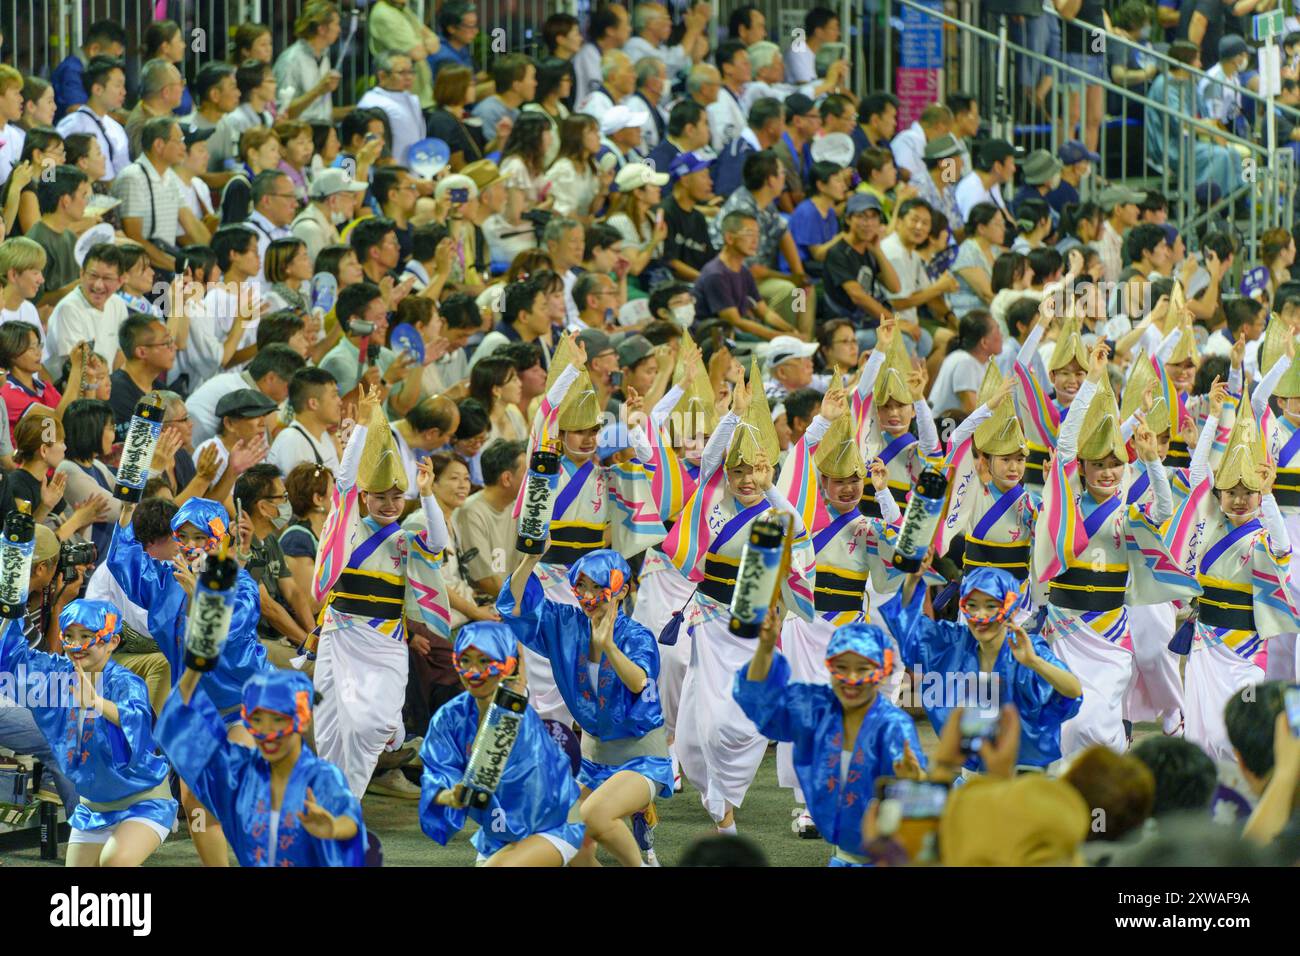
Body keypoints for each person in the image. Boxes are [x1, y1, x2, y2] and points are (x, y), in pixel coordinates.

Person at [1036, 341, 1196, 756]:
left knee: (1097, 720)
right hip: (1067, 626)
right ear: (1082, 469)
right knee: (1069, 723)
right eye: (1098, 465)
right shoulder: (1066, 504)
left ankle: (1115, 779)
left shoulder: (1129, 512)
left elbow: (1164, 508)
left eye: (1114, 465)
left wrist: (1152, 461)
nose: (1107, 472)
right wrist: (1090, 382)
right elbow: (1068, 445)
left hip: (1109, 630)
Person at [104, 495, 268, 866]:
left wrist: (202, 599)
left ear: (220, 538)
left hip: (245, 703)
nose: (192, 546)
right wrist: (127, 508)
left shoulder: (240, 587)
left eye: (201, 537)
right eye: (184, 537)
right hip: (197, 708)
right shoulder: (167, 580)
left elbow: (222, 638)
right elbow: (123, 561)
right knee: (194, 801)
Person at [310, 385, 452, 798]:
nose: (389, 504)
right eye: (379, 496)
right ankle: (342, 803)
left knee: (371, 725)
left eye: (397, 496)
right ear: (364, 496)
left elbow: (439, 542)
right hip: (341, 634)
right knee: (334, 729)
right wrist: (366, 425)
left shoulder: (408, 539)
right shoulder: (345, 529)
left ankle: (386, 741)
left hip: (387, 639)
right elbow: (343, 480)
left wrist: (427, 496)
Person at [500, 548, 672, 867]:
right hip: (593, 759)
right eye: (582, 587)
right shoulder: (566, 624)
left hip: (642, 757)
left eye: (598, 587)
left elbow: (639, 681)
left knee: (594, 815)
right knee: (571, 843)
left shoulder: (636, 635)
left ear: (622, 589)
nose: (588, 596)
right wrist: (530, 559)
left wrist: (608, 645)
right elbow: (513, 607)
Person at [734, 616, 925, 866]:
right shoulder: (818, 709)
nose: (851, 678)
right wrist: (765, 648)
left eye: (863, 668)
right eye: (841, 667)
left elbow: (923, 806)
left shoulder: (893, 726)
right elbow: (762, 702)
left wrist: (915, 781)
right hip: (842, 857)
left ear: (882, 671)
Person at [0, 599, 178, 866]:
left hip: (142, 802)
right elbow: (12, 661)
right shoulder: (56, 676)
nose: (77, 645)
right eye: (69, 636)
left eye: (87, 637)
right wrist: (11, 610)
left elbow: (138, 723)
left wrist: (96, 702)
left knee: (114, 861)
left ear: (113, 641)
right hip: (92, 807)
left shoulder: (126, 682)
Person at [158, 667, 367, 866]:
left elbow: (349, 821)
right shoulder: (239, 773)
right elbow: (177, 720)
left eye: (278, 720)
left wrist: (333, 828)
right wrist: (196, 667)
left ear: (302, 720)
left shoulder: (321, 776)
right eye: (257, 719)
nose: (266, 732)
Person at [418, 621, 585, 866]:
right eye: (465, 661)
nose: (473, 672)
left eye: (485, 661)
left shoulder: (518, 717)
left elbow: (508, 779)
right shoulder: (448, 718)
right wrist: (450, 796)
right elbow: (437, 776)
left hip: (552, 823)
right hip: (496, 833)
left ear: (506, 666)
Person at [883, 566, 1082, 770]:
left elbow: (1073, 690)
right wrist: (913, 577)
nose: (981, 616)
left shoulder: (1026, 647)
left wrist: (1034, 662)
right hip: (973, 776)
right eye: (972, 605)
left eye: (990, 606)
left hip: (1026, 778)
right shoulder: (952, 643)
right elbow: (908, 627)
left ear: (1009, 606)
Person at [453, 438, 527, 595]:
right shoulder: (471, 512)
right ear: (507, 479)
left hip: (510, 598)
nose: (533, 480)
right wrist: (517, 606)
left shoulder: (518, 507)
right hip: (489, 604)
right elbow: (485, 580)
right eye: (527, 473)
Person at [56, 56, 129, 181]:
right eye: (118, 86)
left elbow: (124, 170)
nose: (124, 92)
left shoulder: (116, 127)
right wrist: (48, 190)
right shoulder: (72, 124)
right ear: (97, 89)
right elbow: (50, 163)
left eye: (124, 86)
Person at [273, 1, 344, 124]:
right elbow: (282, 111)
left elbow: (323, 112)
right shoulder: (290, 60)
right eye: (336, 24)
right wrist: (318, 90)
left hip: (323, 132)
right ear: (321, 29)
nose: (339, 30)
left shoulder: (324, 57)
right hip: (301, 136)